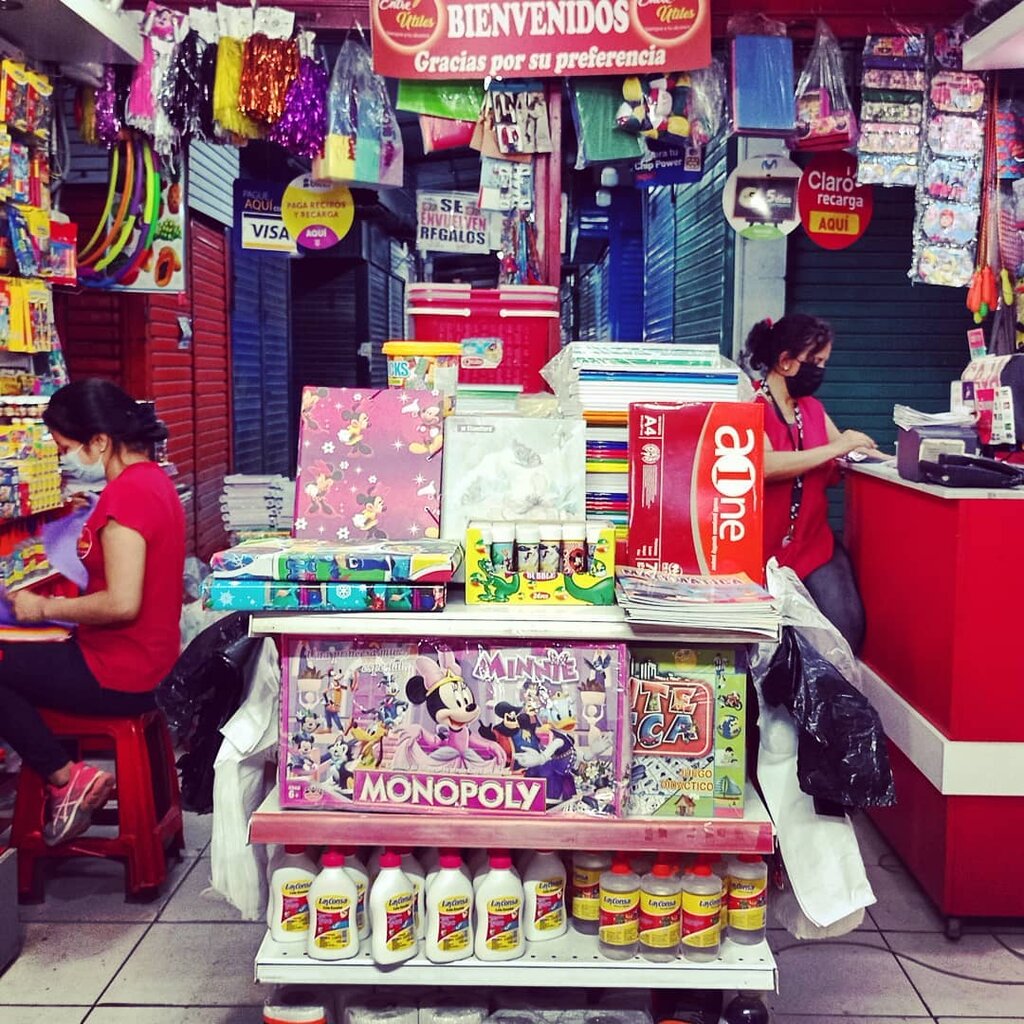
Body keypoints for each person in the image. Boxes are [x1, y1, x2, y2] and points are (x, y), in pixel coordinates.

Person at [2, 379, 185, 845]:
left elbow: (123, 602)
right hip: (142, 660)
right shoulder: (152, 481)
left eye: (66, 448)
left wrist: (44, 607)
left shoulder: (129, 497)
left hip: (119, 671)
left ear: (100, 441)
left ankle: (65, 776)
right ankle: (63, 770)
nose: (65, 460)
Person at [744, 315, 875, 652]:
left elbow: (845, 453)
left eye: (824, 363)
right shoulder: (752, 406)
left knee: (847, 628)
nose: (819, 370)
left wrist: (890, 459)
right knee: (768, 644)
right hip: (763, 550)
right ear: (785, 361)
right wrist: (838, 446)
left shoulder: (812, 408)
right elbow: (765, 465)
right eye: (814, 361)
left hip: (814, 544)